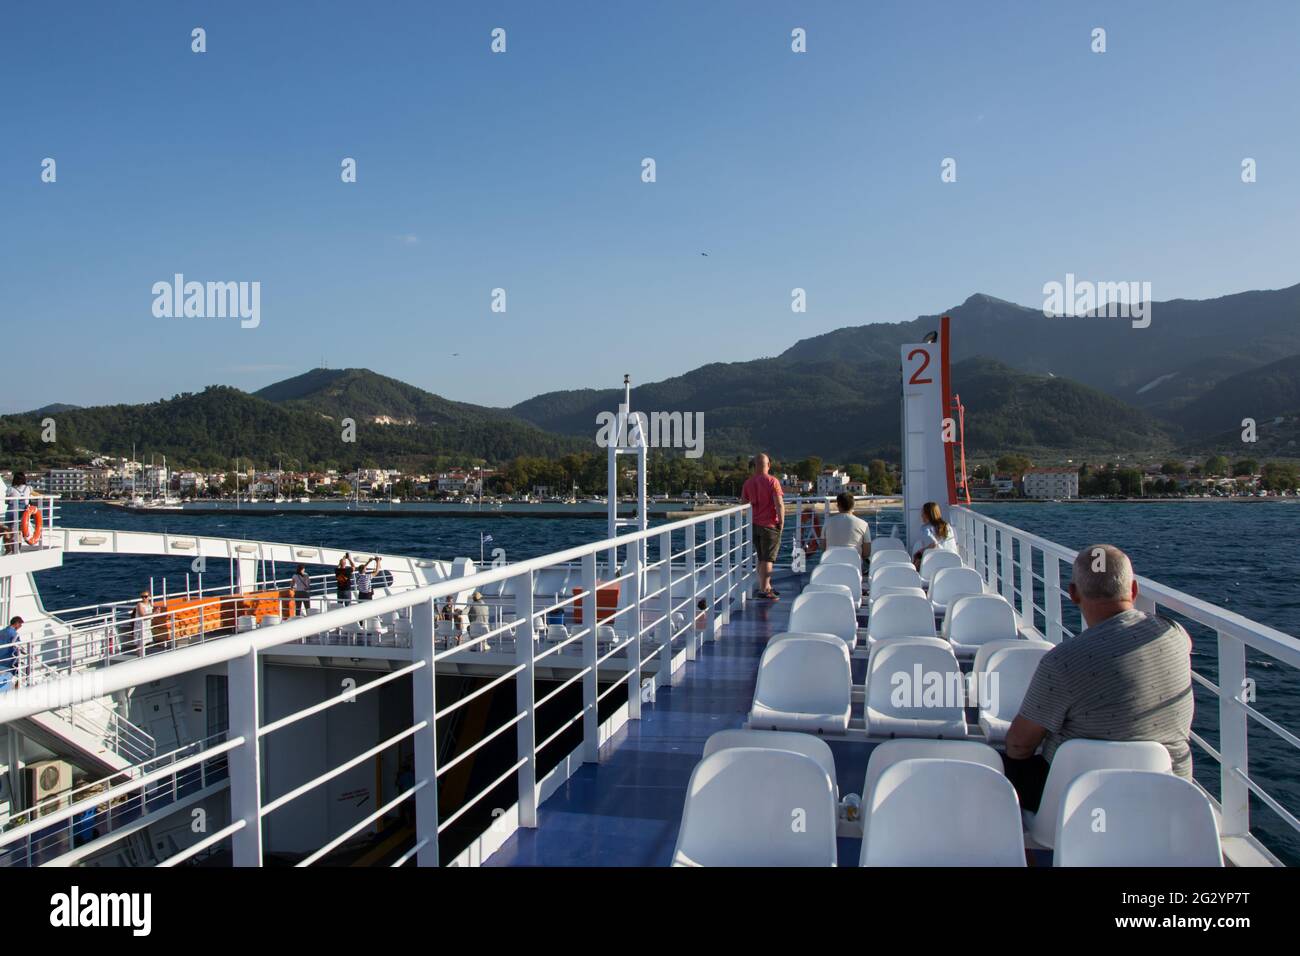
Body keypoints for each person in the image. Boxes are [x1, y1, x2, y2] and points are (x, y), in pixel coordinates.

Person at [1002, 544, 1195, 811]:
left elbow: (1019, 744)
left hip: (1079, 802)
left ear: (1073, 594)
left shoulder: (1063, 661)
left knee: (999, 767)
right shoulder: (1175, 635)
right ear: (1134, 590)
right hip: (1167, 798)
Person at [741, 453, 784, 600]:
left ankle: (765, 586)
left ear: (755, 466)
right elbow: (778, 503)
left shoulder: (748, 483)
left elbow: (743, 505)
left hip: (754, 524)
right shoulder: (773, 481)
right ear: (768, 465)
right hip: (770, 525)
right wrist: (781, 522)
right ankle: (764, 589)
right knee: (768, 559)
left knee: (761, 557)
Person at [822, 492, 872, 560]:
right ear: (853, 505)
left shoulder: (827, 522)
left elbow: (823, 547)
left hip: (831, 564)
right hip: (854, 566)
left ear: (838, 505)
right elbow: (867, 553)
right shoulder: (863, 524)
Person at [912, 500, 959, 569]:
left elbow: (934, 545)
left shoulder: (925, 528)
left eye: (923, 513)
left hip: (937, 564)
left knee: (917, 557)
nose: (921, 515)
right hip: (953, 561)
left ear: (928, 514)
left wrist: (920, 553)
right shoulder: (947, 526)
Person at [0, 616, 23, 692]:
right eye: (20, 624)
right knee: (10, 677)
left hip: (1, 659)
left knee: (2, 678)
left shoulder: (2, 631)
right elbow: (18, 646)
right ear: (16, 623)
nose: (20, 626)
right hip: (9, 660)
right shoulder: (14, 634)